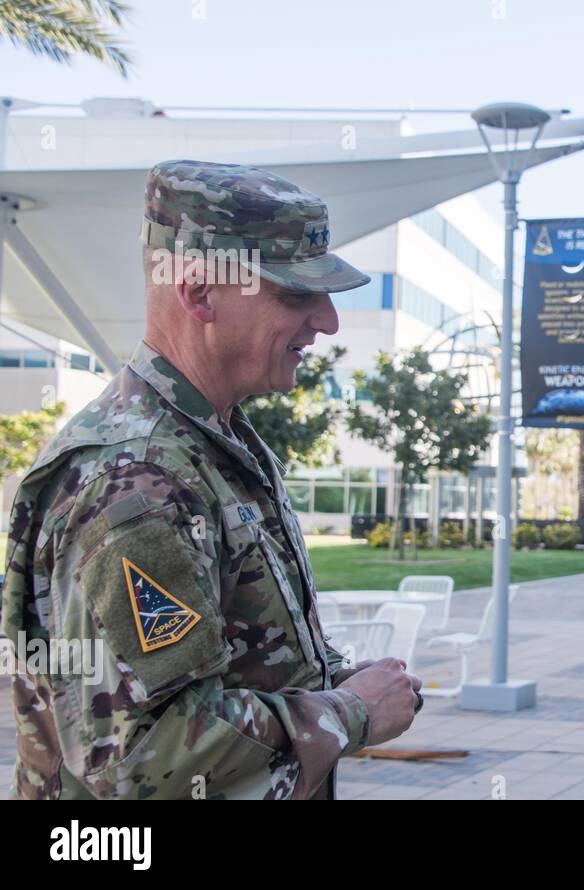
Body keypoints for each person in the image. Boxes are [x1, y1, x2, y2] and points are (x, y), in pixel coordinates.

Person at [0, 160, 421, 800]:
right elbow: (141, 755)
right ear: (199, 293)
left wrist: (334, 679)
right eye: (295, 294)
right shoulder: (138, 477)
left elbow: (228, 661)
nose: (328, 321)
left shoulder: (210, 441)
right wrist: (349, 714)